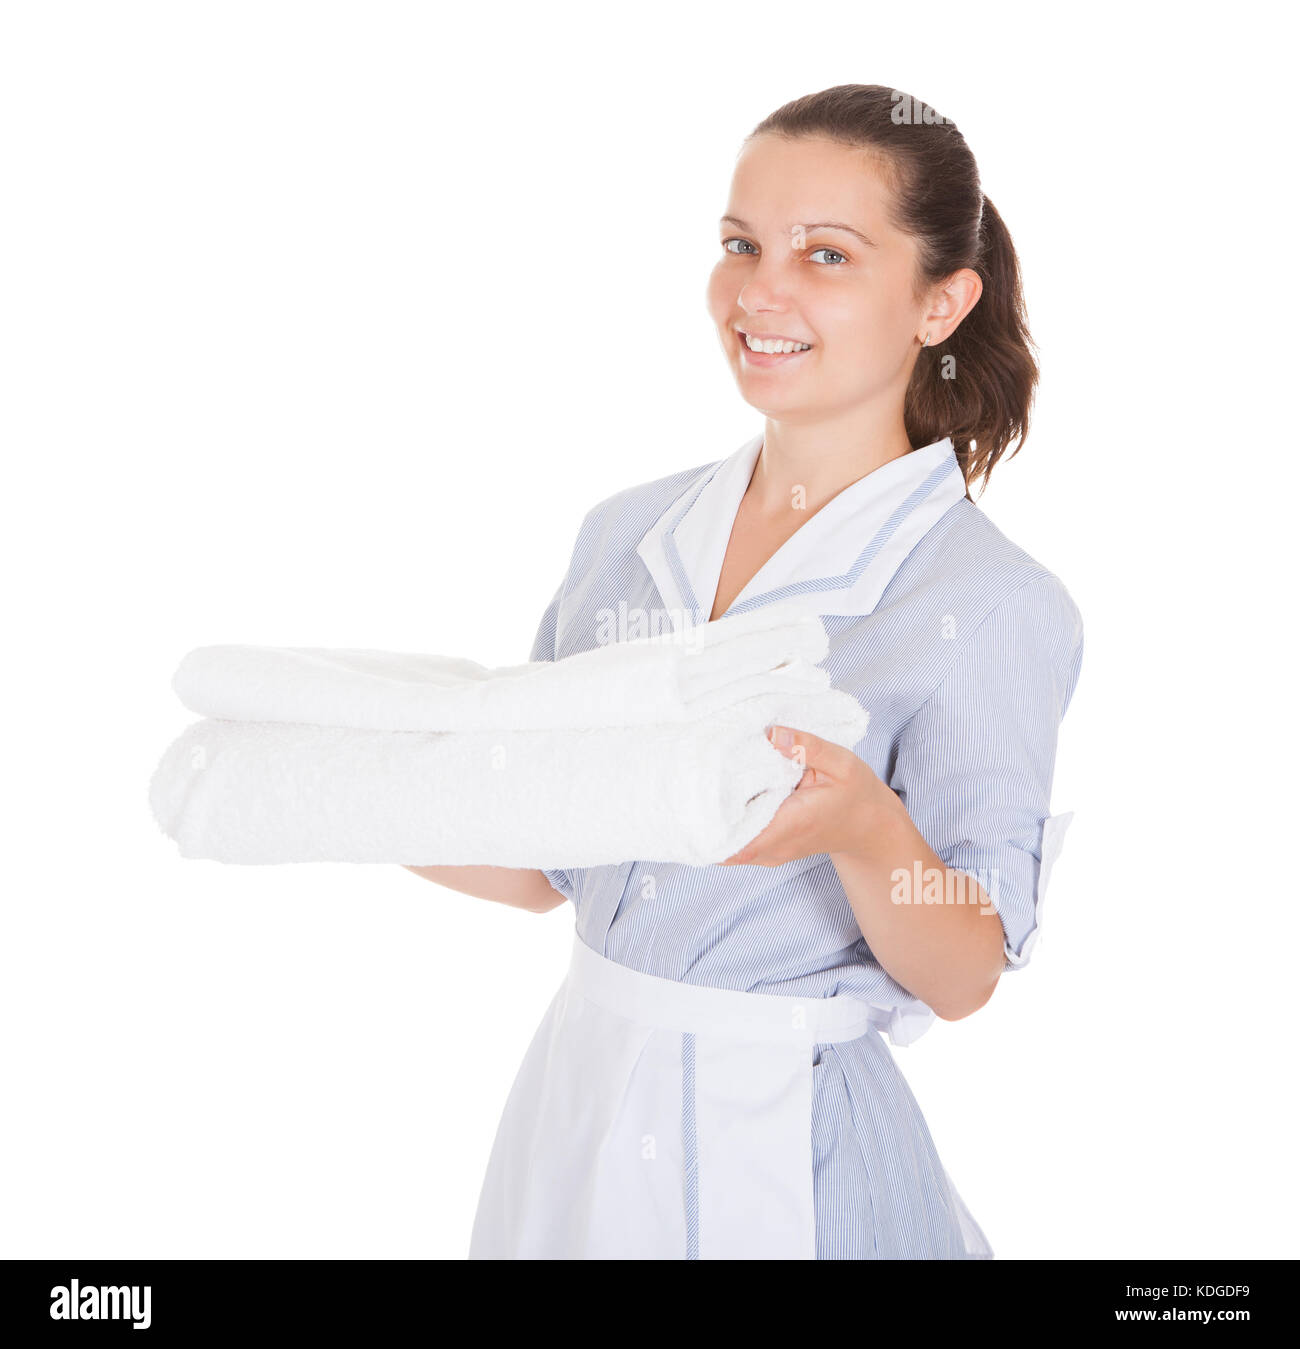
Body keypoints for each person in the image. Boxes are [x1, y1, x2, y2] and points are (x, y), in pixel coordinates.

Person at [406, 82, 1084, 1260]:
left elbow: (969, 959)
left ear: (941, 300)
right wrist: (344, 791)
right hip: (578, 1100)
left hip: (791, 1154)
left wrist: (865, 825)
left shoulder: (987, 603)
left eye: (826, 254)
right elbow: (541, 856)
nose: (758, 292)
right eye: (740, 244)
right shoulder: (627, 534)